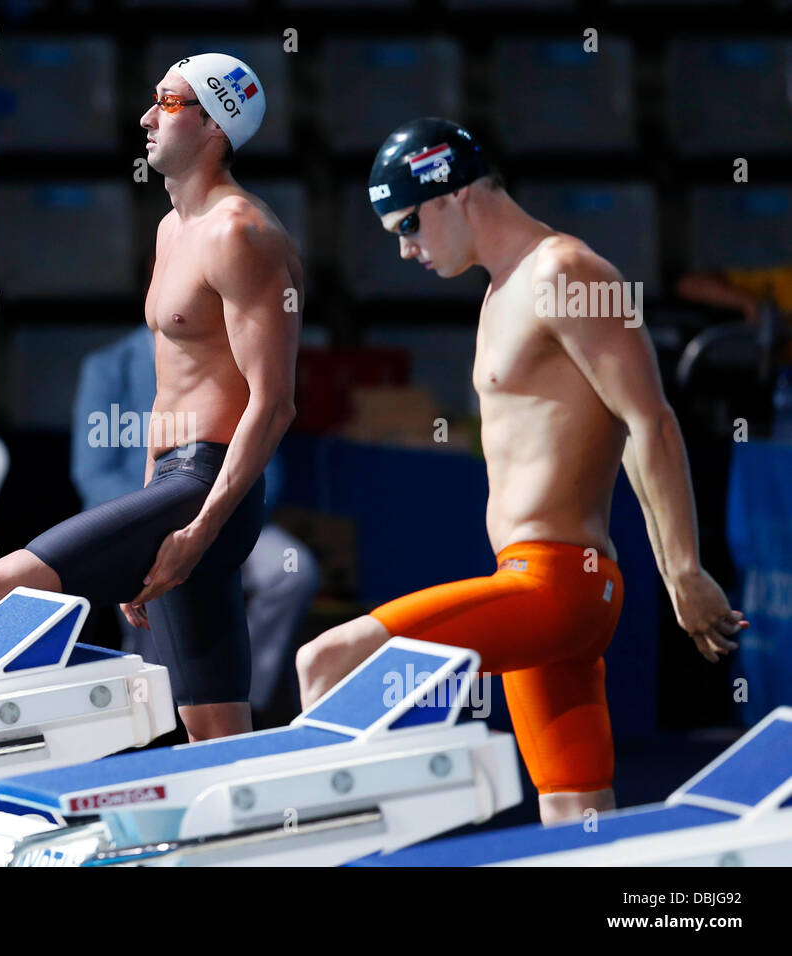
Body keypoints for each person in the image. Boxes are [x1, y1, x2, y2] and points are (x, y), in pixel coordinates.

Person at [296, 118, 747, 824]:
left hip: (560, 584)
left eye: (409, 224)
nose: (406, 248)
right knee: (574, 813)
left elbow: (648, 420)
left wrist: (682, 570)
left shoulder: (565, 272)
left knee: (328, 661)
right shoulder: (501, 290)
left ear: (456, 194)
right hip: (538, 586)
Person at [0, 53, 302, 742]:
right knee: (216, 729)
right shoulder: (171, 228)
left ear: (215, 125)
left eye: (169, 104)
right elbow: (164, 395)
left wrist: (193, 532)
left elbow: (272, 405)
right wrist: (143, 516)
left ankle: (38, 759)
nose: (147, 117)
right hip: (172, 487)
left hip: (210, 489)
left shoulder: (243, 235)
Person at [72, 325, 319, 723]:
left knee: (292, 570)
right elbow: (93, 475)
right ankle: (159, 714)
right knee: (154, 574)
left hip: (227, 511)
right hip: (143, 517)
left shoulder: (234, 356)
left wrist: (214, 517)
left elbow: (268, 461)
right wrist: (157, 518)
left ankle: (239, 698)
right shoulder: (108, 367)